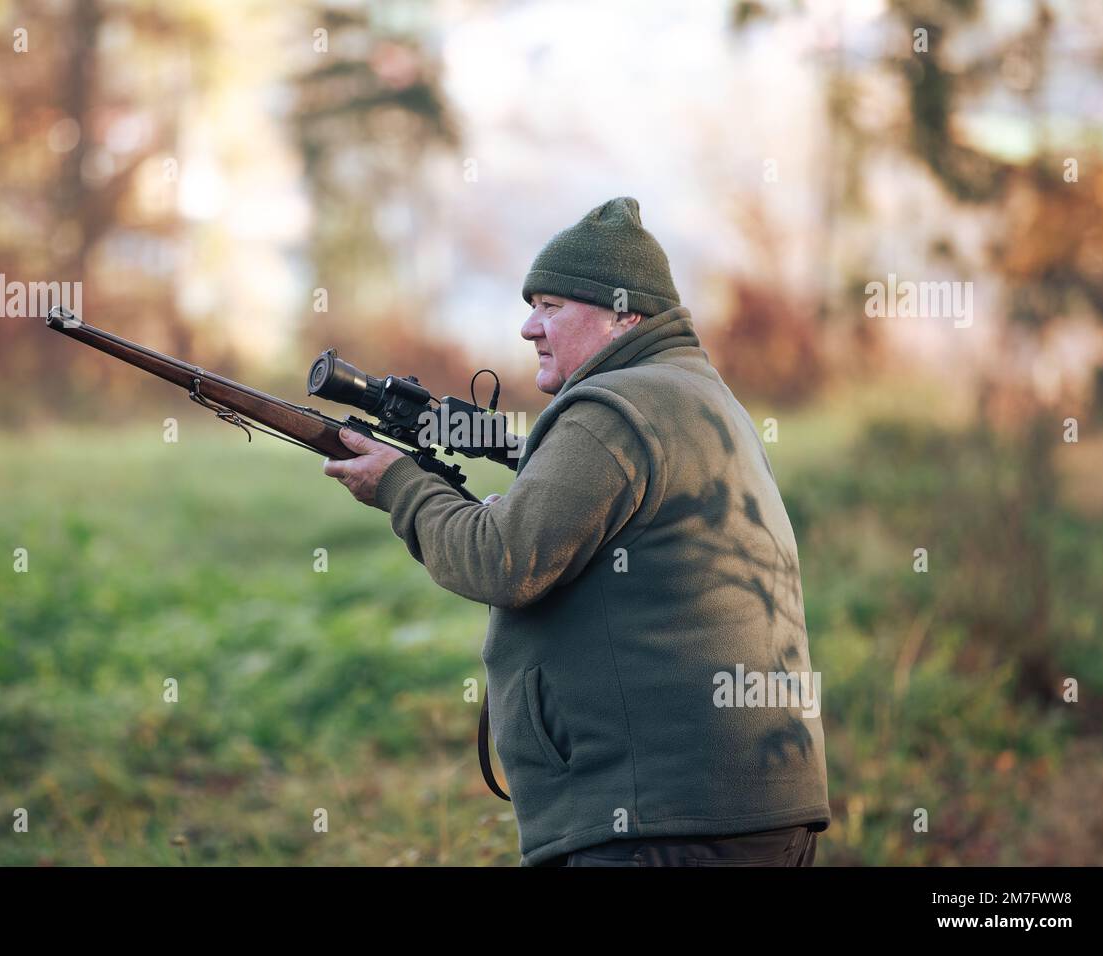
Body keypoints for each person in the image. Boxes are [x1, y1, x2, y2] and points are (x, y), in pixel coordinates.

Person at [324, 197, 831, 866]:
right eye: (531, 304)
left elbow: (500, 560)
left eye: (552, 306)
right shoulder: (700, 397)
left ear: (625, 312)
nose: (529, 327)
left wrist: (399, 484)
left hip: (659, 826)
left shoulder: (612, 407)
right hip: (748, 811)